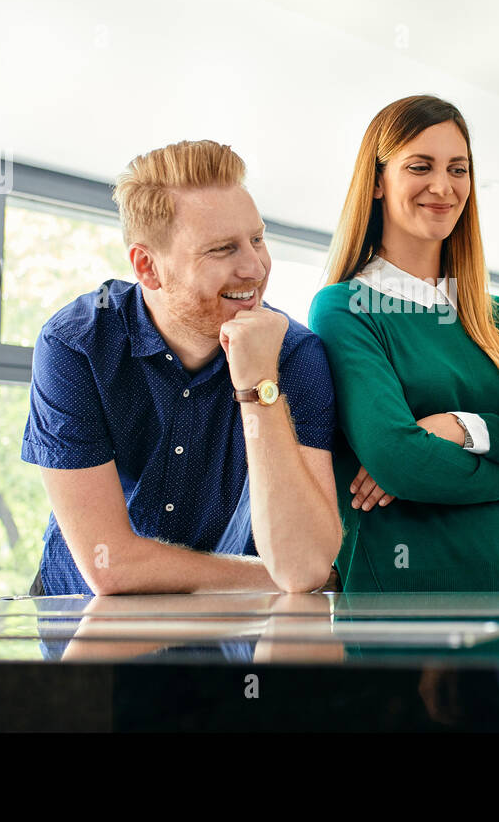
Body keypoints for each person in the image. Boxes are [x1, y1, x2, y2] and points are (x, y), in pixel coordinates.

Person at [20, 139, 341, 597]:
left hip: (224, 627)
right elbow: (109, 567)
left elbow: (304, 567)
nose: (255, 268)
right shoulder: (76, 346)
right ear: (147, 267)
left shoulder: (294, 354)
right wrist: (267, 578)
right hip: (83, 621)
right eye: (222, 249)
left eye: (257, 239)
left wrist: (257, 386)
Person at [308, 95, 499, 593]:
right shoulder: (343, 309)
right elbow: (399, 461)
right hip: (407, 597)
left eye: (458, 169)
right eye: (420, 166)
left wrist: (457, 429)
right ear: (378, 182)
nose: (443, 187)